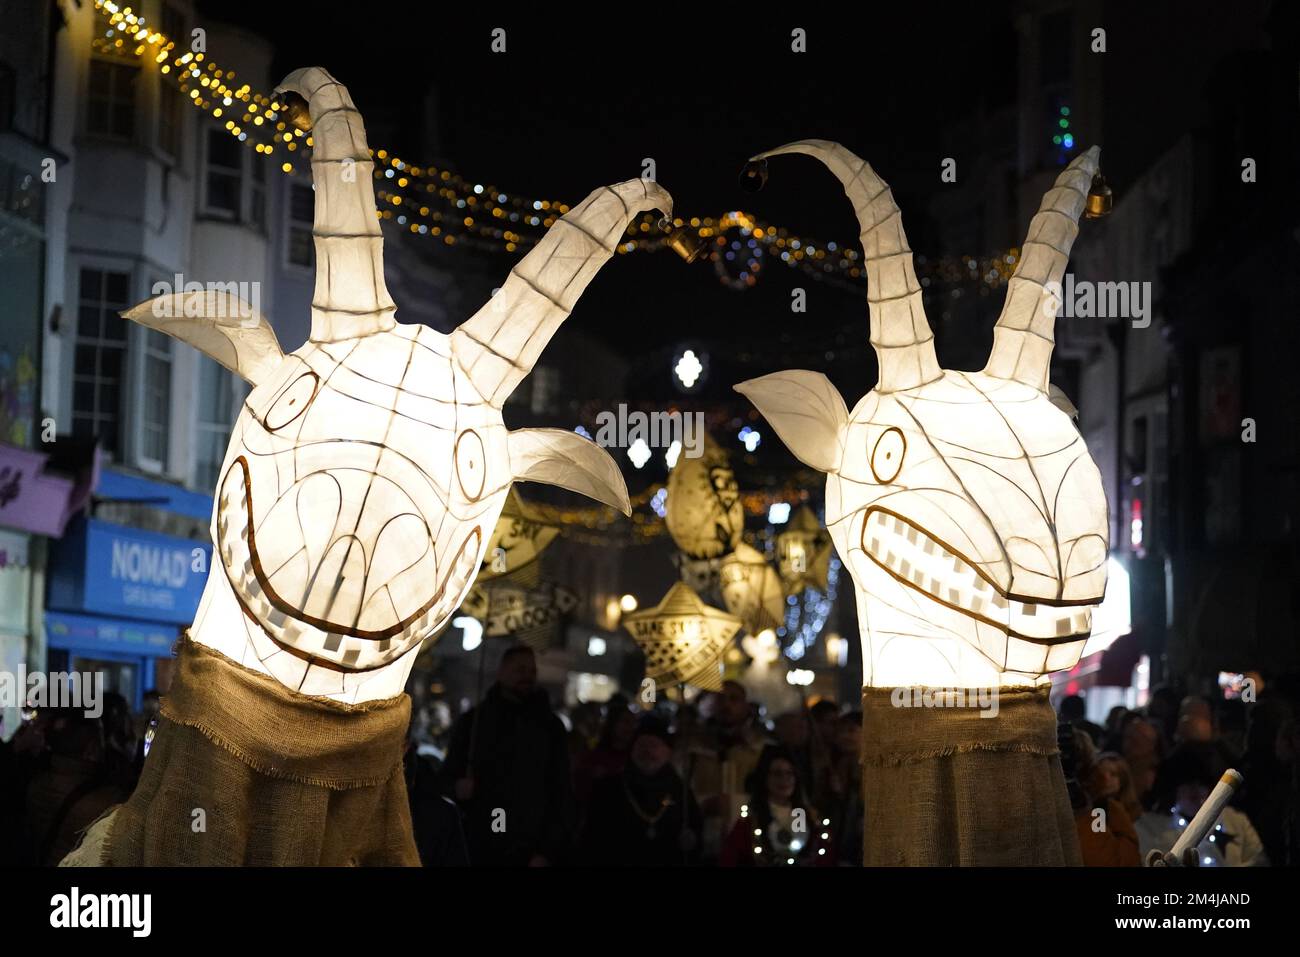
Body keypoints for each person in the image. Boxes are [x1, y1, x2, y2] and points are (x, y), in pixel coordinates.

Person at [442, 645, 574, 866]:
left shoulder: (550, 726)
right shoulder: (474, 723)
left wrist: (547, 849)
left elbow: (561, 790)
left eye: (531, 671)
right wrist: (457, 787)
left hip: (530, 847)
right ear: (501, 672)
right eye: (520, 669)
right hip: (481, 844)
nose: (527, 676)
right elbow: (446, 777)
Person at [579, 716, 701, 866]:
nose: (647, 751)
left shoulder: (680, 792)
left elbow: (694, 835)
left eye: (654, 745)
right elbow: (591, 838)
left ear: (668, 752)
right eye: (642, 745)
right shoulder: (608, 788)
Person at [676, 679, 767, 863]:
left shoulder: (760, 750)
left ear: (746, 706)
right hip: (700, 846)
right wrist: (702, 804)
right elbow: (678, 792)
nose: (726, 705)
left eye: (734, 699)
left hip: (747, 845)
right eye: (720, 698)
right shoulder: (691, 748)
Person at [1136, 741, 1268, 866]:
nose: (1195, 790)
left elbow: (1258, 861)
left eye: (1200, 784)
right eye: (1187, 784)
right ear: (1174, 789)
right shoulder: (1150, 827)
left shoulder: (1235, 820)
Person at [719, 747, 834, 867]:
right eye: (777, 774)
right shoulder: (751, 819)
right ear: (765, 778)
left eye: (789, 773)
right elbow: (730, 857)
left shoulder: (810, 817)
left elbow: (824, 856)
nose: (784, 780)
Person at [1074, 740, 1142, 867]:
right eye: (1100, 772)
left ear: (1122, 781)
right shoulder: (1091, 809)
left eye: (1113, 774)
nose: (1106, 778)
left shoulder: (1129, 814)